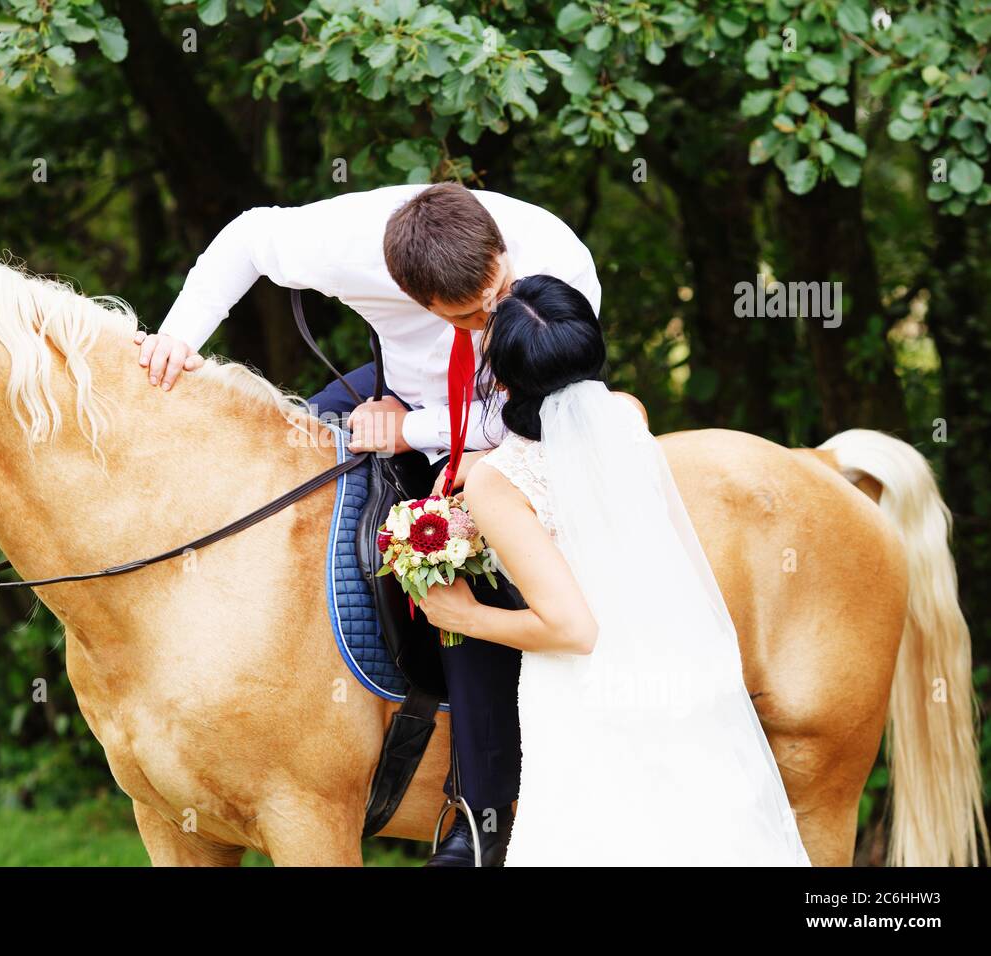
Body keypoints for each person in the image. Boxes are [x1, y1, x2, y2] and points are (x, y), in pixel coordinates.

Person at [135, 182, 601, 866]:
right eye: (467, 314)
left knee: (478, 558)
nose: (489, 316)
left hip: (510, 419)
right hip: (404, 385)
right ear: (413, 295)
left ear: (501, 249)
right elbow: (249, 234)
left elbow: (540, 413)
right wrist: (178, 335)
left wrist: (407, 431)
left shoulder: (557, 263)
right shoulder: (346, 244)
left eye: (494, 293)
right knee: (276, 462)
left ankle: (484, 812)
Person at [419, 275, 811, 865]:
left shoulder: (497, 482)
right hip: (680, 673)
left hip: (589, 696)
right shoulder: (628, 416)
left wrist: (464, 614)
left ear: (499, 378)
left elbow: (575, 629)